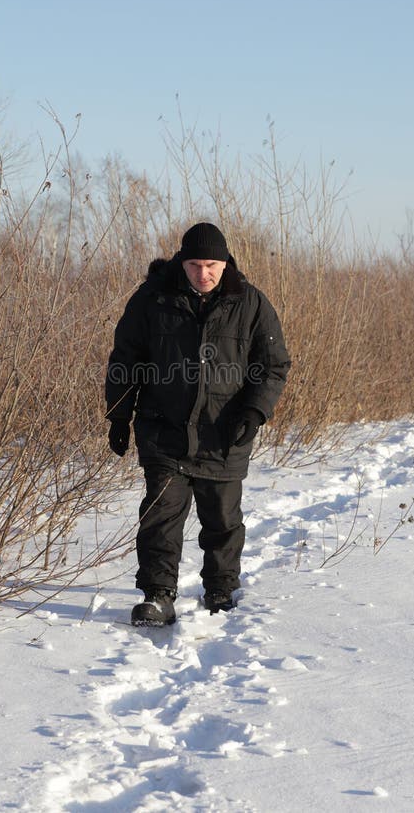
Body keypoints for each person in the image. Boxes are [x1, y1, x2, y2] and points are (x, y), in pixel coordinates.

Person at [105, 222, 290, 626]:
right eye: (194, 265)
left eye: (211, 266)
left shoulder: (250, 303)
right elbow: (126, 359)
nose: (202, 274)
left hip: (223, 434)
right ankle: (158, 595)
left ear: (225, 264)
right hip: (164, 430)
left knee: (222, 520)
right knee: (161, 515)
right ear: (181, 262)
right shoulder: (153, 299)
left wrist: (254, 412)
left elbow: (273, 365)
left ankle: (220, 591)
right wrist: (119, 414)